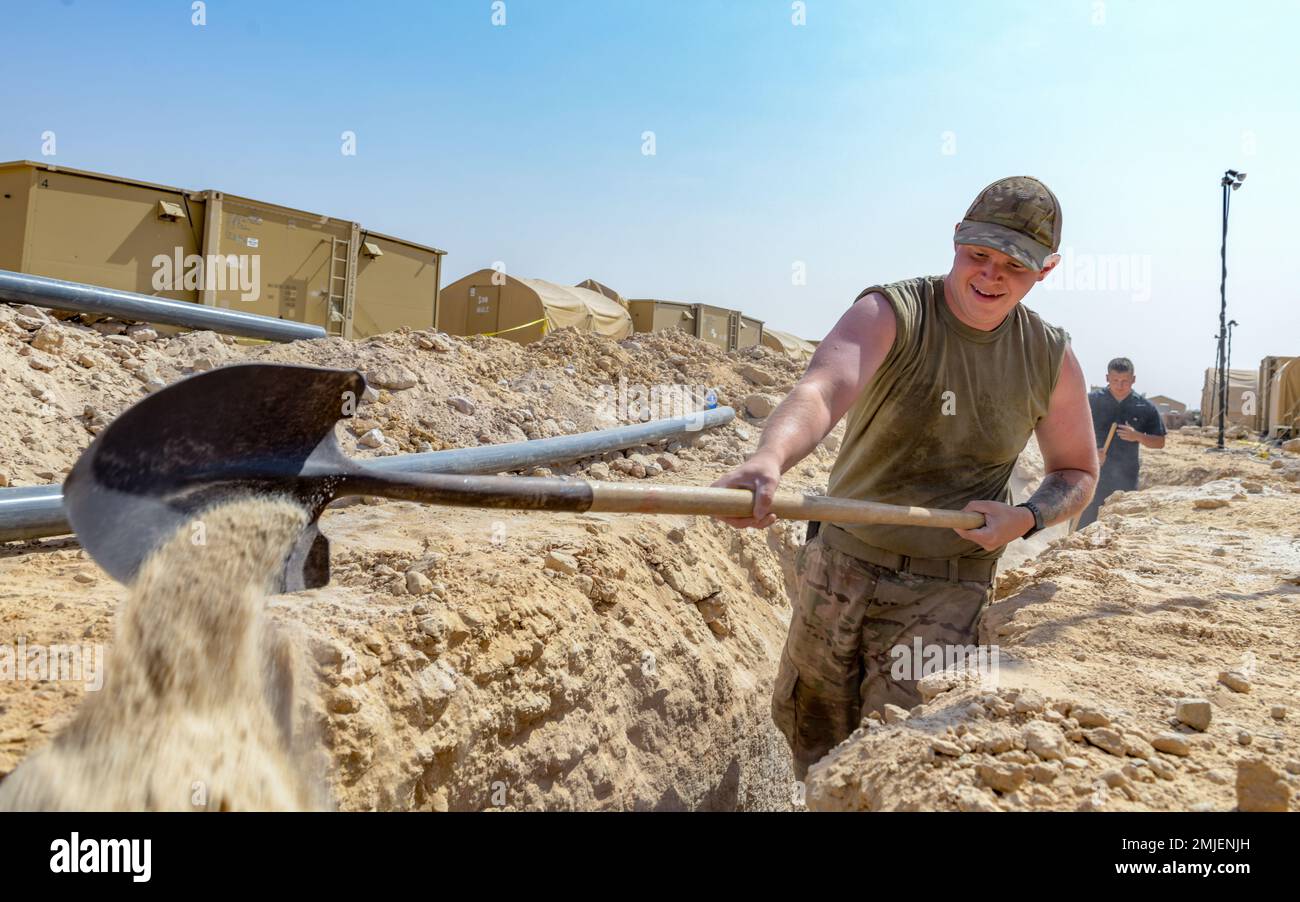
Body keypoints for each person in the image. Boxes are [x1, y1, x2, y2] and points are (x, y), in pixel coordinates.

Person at [711, 176, 1098, 780]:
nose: (991, 276)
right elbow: (822, 389)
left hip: (948, 589)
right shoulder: (892, 313)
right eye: (979, 256)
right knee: (813, 738)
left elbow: (1076, 471)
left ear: (1045, 270)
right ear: (956, 241)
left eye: (1013, 267)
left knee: (898, 756)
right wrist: (770, 459)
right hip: (840, 567)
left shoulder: (1050, 358)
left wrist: (1025, 518)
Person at [1075, 358, 1166, 528]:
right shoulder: (1090, 401)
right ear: (1107, 378)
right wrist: (1091, 452)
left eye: (1125, 381)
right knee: (1083, 523)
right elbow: (1072, 431)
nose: (1120, 385)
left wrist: (1137, 436)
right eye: (1115, 380)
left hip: (1125, 477)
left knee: (1118, 525)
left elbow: (1159, 442)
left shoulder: (1144, 406)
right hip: (1092, 472)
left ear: (1133, 379)